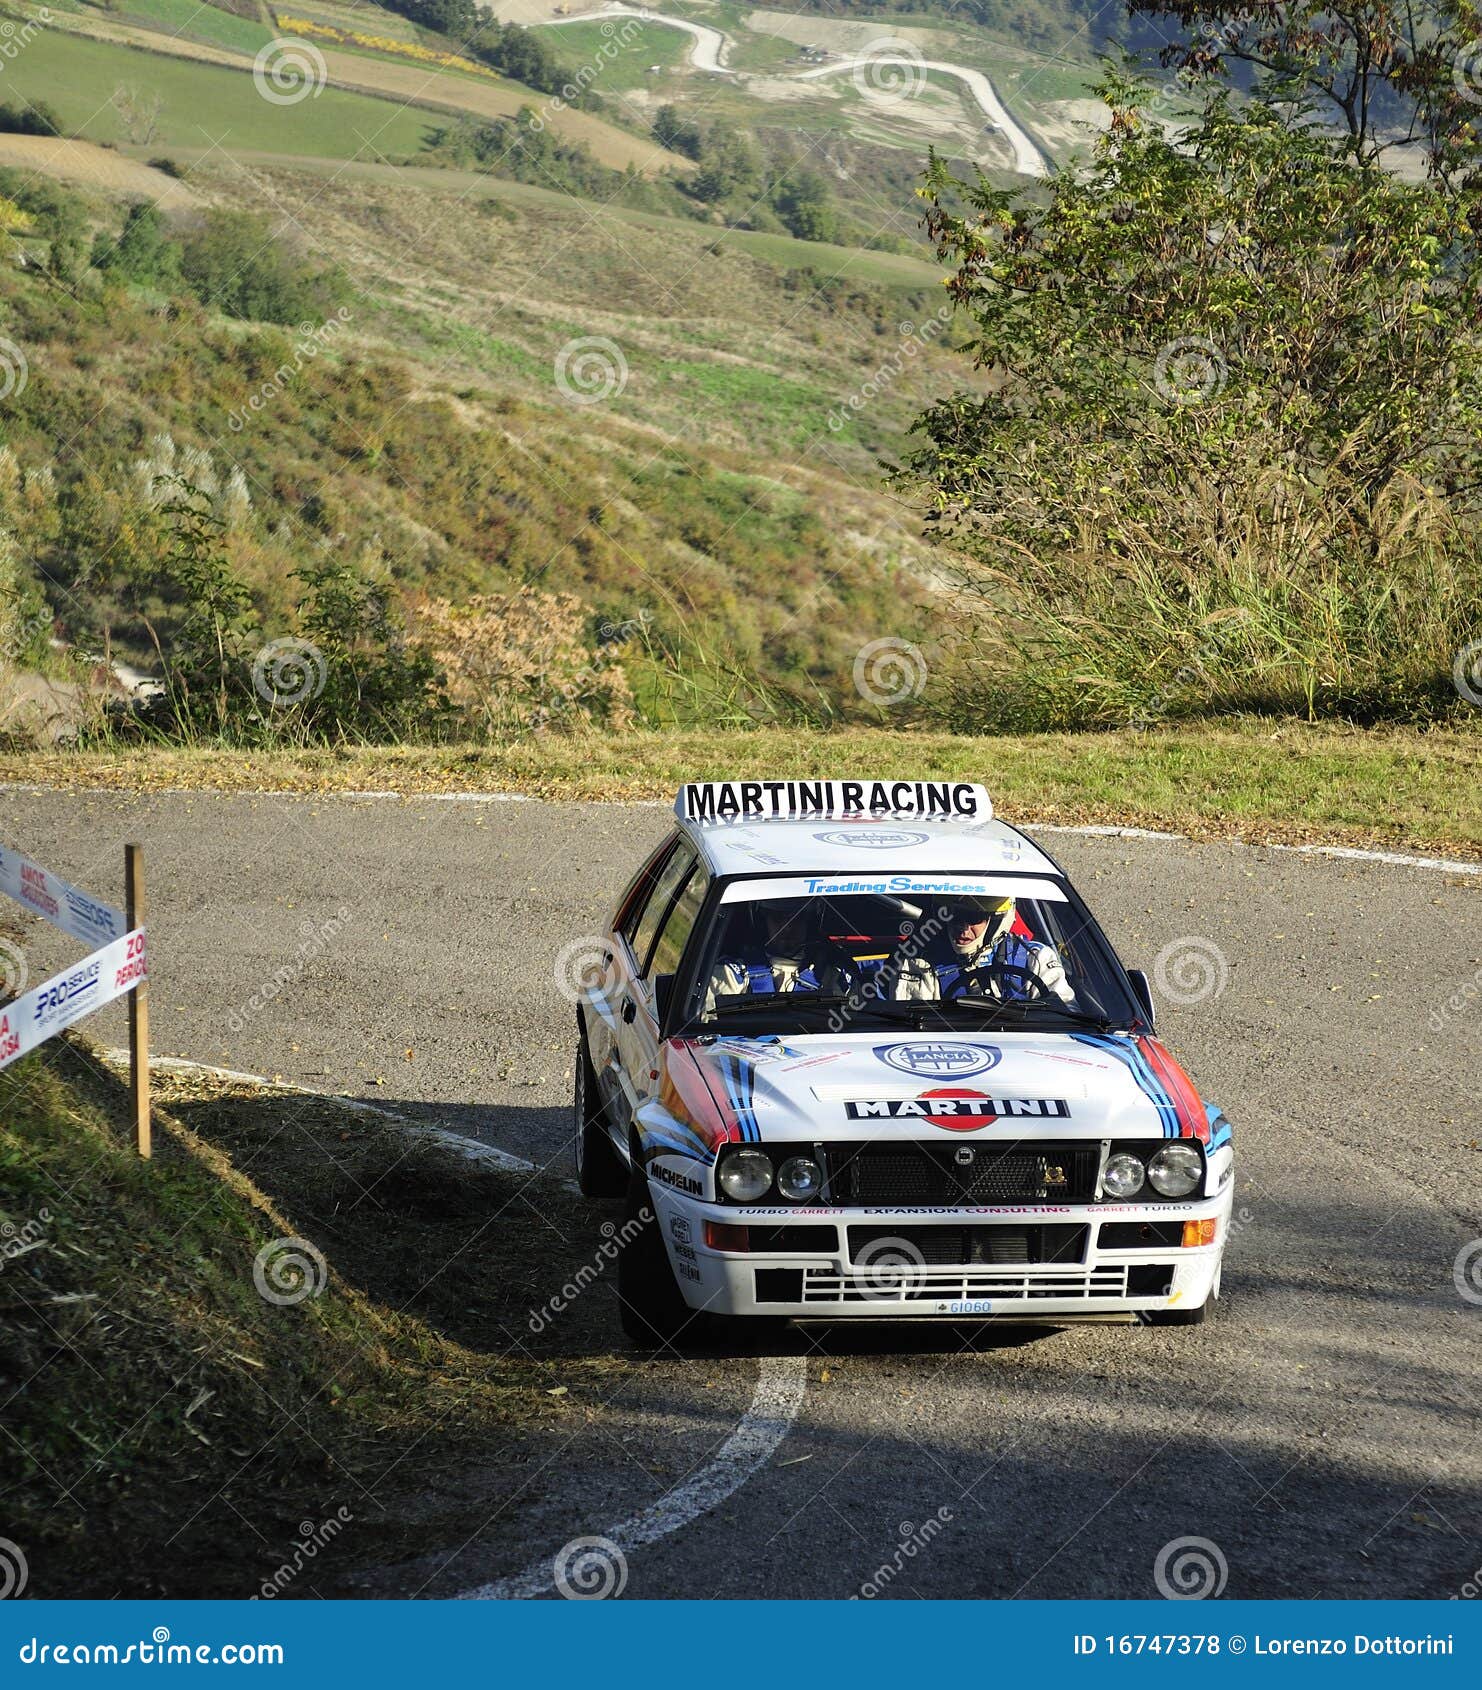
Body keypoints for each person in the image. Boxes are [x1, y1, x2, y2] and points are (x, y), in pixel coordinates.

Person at [890, 895, 1078, 1006]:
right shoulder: (917, 962)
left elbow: (1067, 1016)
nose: (963, 929)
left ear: (997, 921)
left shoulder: (1035, 959)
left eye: (973, 918)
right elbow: (911, 1034)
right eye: (955, 916)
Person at [705, 898, 833, 1007]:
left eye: (797, 919)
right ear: (762, 921)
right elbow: (706, 1028)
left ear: (810, 922)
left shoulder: (831, 977)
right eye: (778, 919)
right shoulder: (731, 974)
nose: (788, 927)